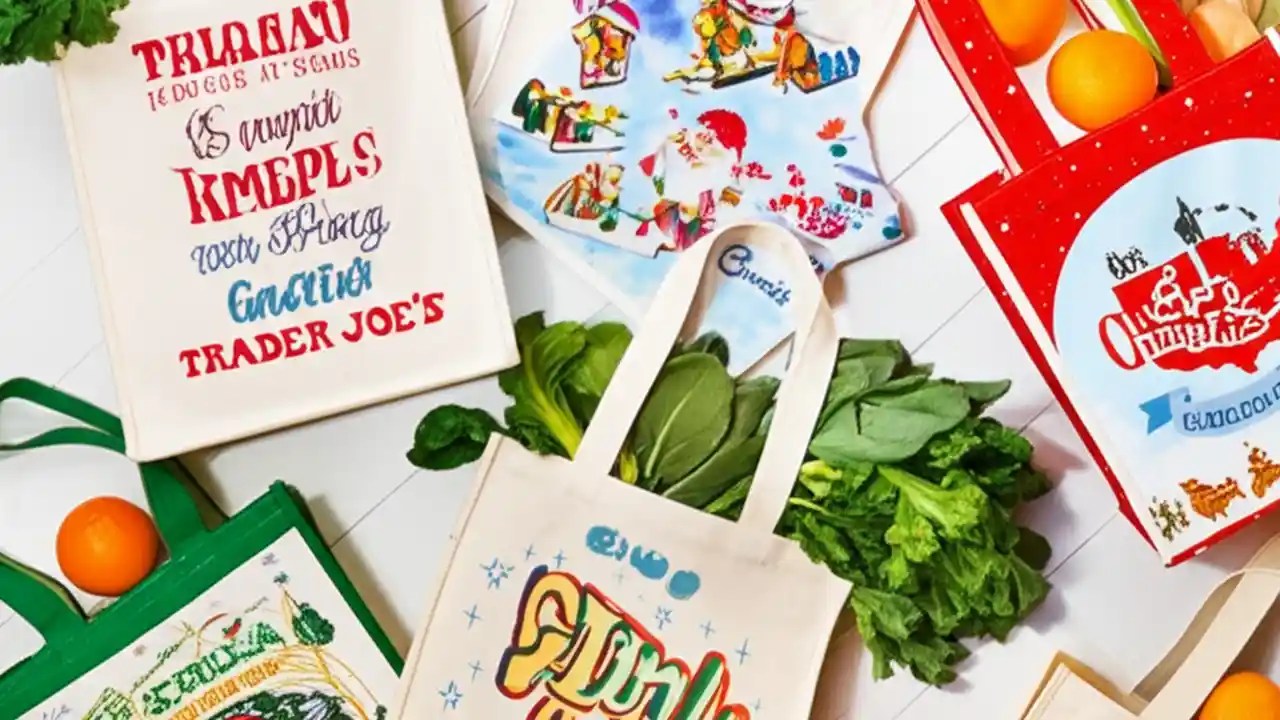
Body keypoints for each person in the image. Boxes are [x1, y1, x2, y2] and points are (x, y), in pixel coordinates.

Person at [637, 109, 747, 251]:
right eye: (709, 129)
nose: (708, 137)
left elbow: (728, 197)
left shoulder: (718, 170)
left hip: (690, 224)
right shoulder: (677, 142)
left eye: (718, 137)